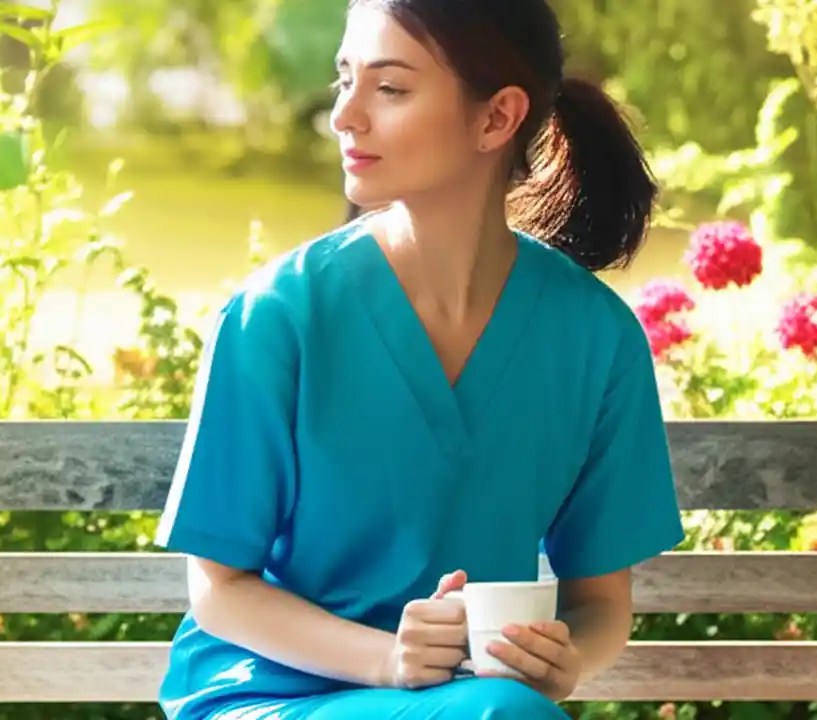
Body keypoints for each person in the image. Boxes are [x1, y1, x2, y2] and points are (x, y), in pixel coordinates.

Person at [153, 0, 685, 717]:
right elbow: (218, 589)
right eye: (345, 80)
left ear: (496, 118)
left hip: (473, 703)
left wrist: (565, 659)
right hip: (272, 698)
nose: (345, 115)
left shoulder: (596, 339)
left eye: (390, 88)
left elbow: (599, 603)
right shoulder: (277, 316)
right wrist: (386, 659)